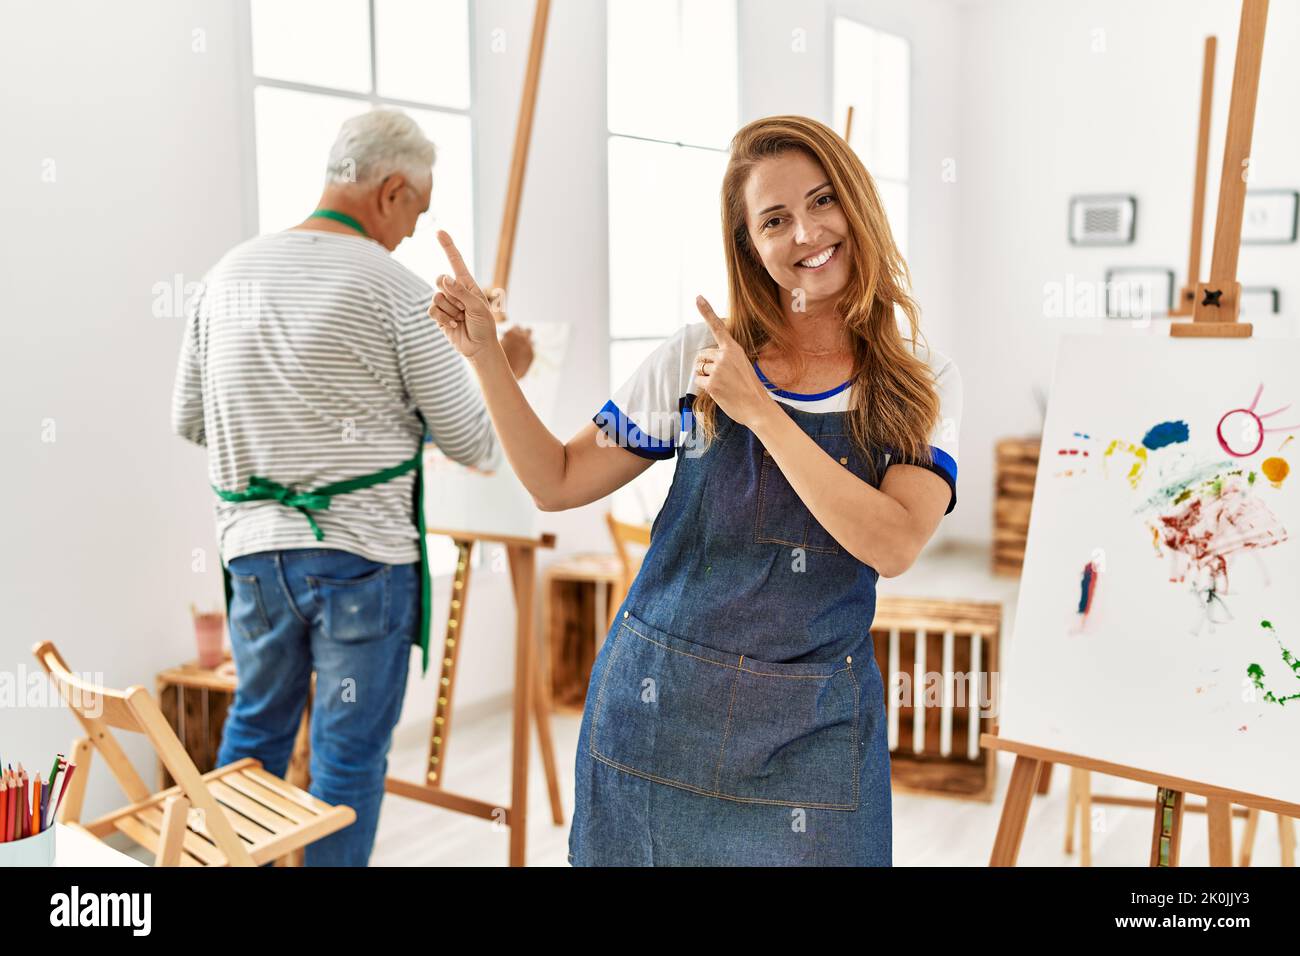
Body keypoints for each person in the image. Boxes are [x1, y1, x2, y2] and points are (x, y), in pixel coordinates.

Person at [428, 114, 961, 866]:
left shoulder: (920, 384)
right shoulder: (697, 360)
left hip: (813, 733)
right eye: (775, 219)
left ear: (856, 203)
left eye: (821, 201)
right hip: (656, 717)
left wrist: (762, 414)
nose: (806, 232)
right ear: (751, 245)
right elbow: (556, 479)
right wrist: (485, 357)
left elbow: (894, 541)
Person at [171, 108, 531, 866]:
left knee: (253, 737)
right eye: (417, 212)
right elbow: (474, 442)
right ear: (391, 189)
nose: (409, 232)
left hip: (256, 561)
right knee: (348, 758)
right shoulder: (396, 290)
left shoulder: (225, 275)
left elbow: (191, 420)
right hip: (364, 565)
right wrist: (503, 366)